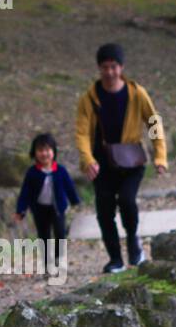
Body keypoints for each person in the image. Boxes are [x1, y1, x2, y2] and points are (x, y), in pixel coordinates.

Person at [75, 42, 168, 274]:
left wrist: (160, 155)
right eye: (105, 67)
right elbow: (82, 132)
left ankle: (134, 242)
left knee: (127, 201)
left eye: (114, 67)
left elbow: (153, 122)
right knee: (104, 210)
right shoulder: (89, 98)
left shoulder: (137, 93)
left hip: (131, 160)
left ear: (121, 67)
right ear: (99, 68)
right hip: (102, 162)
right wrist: (87, 159)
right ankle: (115, 258)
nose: (109, 72)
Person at [13, 132, 80, 277]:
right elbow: (25, 192)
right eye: (40, 150)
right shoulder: (32, 173)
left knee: (60, 233)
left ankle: (58, 260)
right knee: (44, 237)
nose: (44, 154)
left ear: (53, 152)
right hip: (40, 209)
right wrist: (21, 210)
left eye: (48, 150)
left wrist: (75, 201)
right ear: (35, 153)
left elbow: (69, 187)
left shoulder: (60, 171)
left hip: (58, 209)